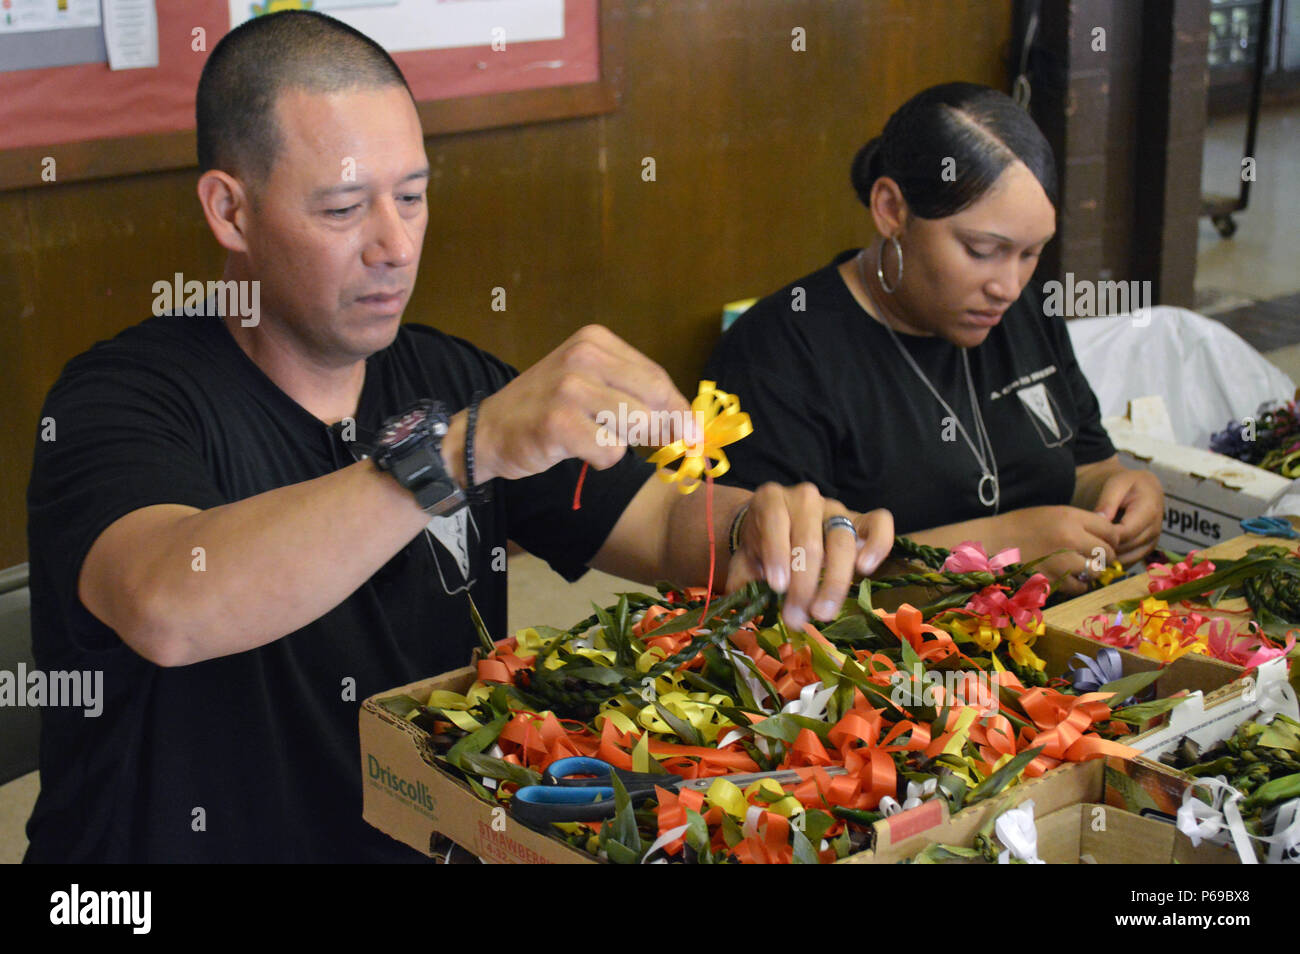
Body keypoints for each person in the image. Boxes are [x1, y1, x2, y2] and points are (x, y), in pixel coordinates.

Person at [23, 12, 892, 863]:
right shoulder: (119, 401)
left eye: (412, 195)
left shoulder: (451, 381)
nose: (395, 245)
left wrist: (761, 528)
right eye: (341, 209)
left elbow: (665, 524)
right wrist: (457, 454)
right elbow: (170, 607)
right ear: (230, 210)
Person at [704, 82, 1163, 596]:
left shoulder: (1024, 308)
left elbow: (1087, 463)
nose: (1007, 287)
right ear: (891, 209)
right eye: (981, 249)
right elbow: (781, 579)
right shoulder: (779, 351)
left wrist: (1118, 495)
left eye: (1031, 253)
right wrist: (1002, 550)